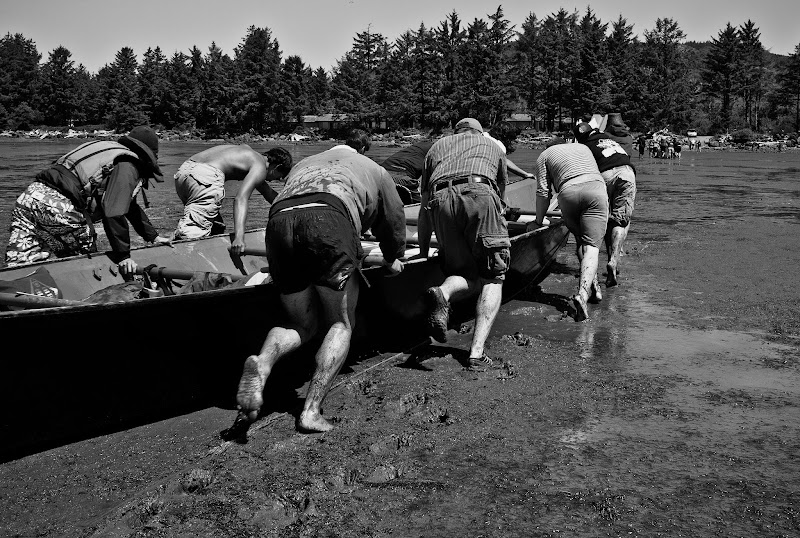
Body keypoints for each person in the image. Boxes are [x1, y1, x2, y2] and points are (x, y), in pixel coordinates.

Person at [232, 130, 406, 433]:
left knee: (299, 324)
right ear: (360, 152)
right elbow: (394, 218)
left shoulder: (306, 163)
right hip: (329, 218)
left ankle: (261, 363)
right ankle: (310, 411)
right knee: (339, 324)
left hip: (279, 222)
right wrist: (392, 256)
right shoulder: (374, 169)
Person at [5, 126, 171, 274]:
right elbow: (113, 210)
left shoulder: (107, 149)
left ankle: (15, 298)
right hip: (59, 207)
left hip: (29, 198)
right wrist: (123, 256)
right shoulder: (128, 164)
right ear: (148, 154)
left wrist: (152, 236)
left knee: (20, 264)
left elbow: (129, 205)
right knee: (86, 265)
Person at [417, 118, 509, 369]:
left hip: (440, 200)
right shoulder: (491, 146)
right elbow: (500, 194)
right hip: (479, 193)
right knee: (493, 276)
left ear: (455, 132)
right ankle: (476, 354)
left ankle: (443, 292)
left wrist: (423, 254)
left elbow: (424, 205)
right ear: (480, 133)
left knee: (462, 272)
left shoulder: (437, 147)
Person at [534, 136, 608, 322]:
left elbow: (543, 192)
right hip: (595, 190)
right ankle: (583, 294)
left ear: (549, 147)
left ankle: (594, 287)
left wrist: (539, 220)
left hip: (567, 194)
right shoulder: (582, 147)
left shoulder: (544, 155)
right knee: (591, 246)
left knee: (581, 240)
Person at [173, 145, 293, 240]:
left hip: (184, 172)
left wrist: (290, 207)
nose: (272, 180)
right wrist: (239, 238)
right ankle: (183, 257)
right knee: (194, 232)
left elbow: (268, 193)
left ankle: (176, 239)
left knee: (215, 226)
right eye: (277, 177)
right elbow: (241, 199)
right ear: (277, 167)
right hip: (205, 176)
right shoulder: (260, 167)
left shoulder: (249, 154)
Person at [573, 121, 637, 289]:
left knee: (600, 217)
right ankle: (614, 260)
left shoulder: (585, 146)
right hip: (627, 172)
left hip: (605, 175)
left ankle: (592, 257)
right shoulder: (608, 139)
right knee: (620, 220)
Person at [379, 139, 435, 204]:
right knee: (421, 205)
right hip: (403, 178)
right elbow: (428, 180)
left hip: (381, 173)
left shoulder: (415, 147)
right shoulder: (435, 149)